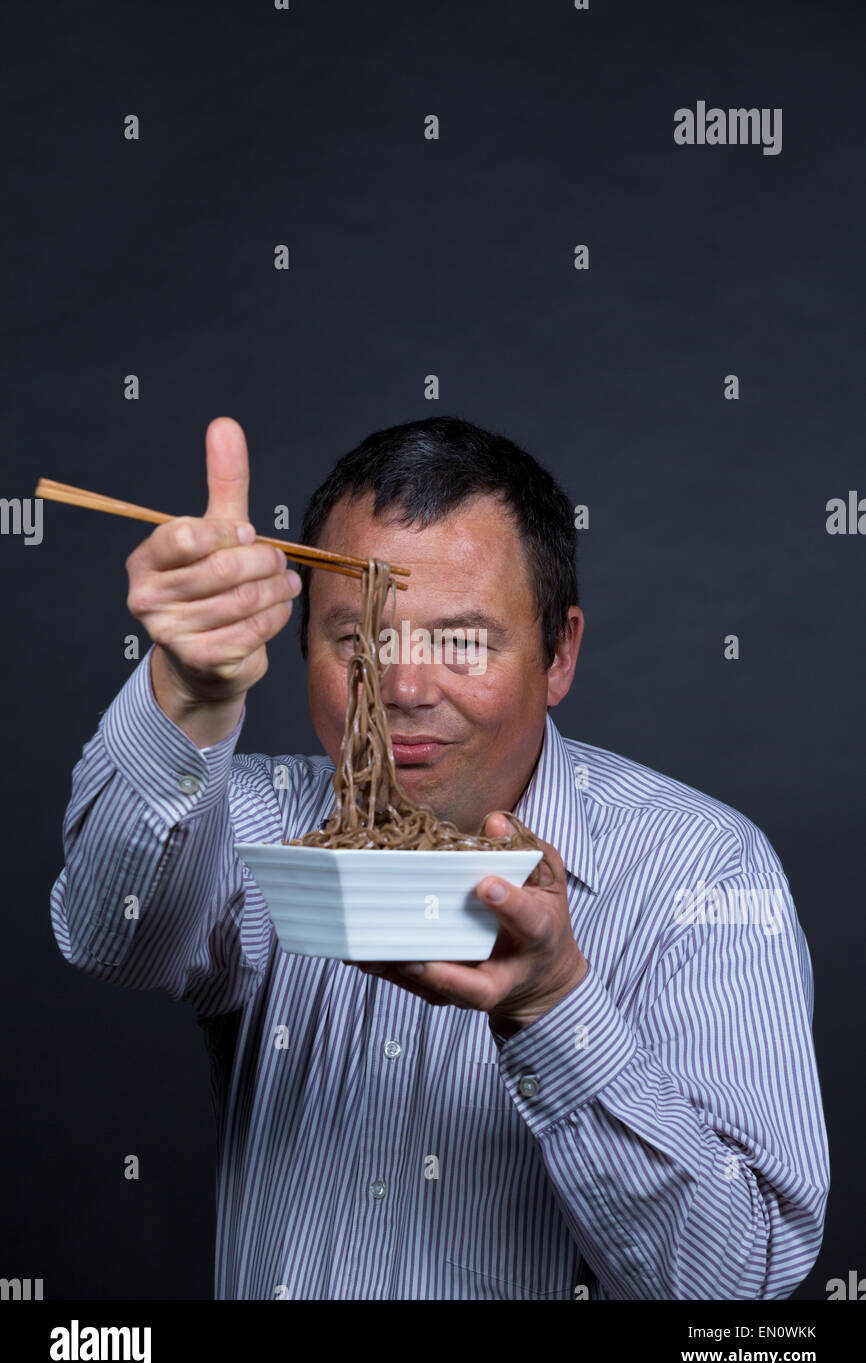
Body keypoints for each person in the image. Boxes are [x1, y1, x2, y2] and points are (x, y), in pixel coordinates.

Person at [50, 415, 829, 1300]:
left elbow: (736, 1285)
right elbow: (117, 940)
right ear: (302, 646)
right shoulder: (266, 820)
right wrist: (185, 691)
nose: (404, 689)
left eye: (462, 642)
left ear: (560, 652)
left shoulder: (704, 870)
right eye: (359, 640)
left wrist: (553, 1007)